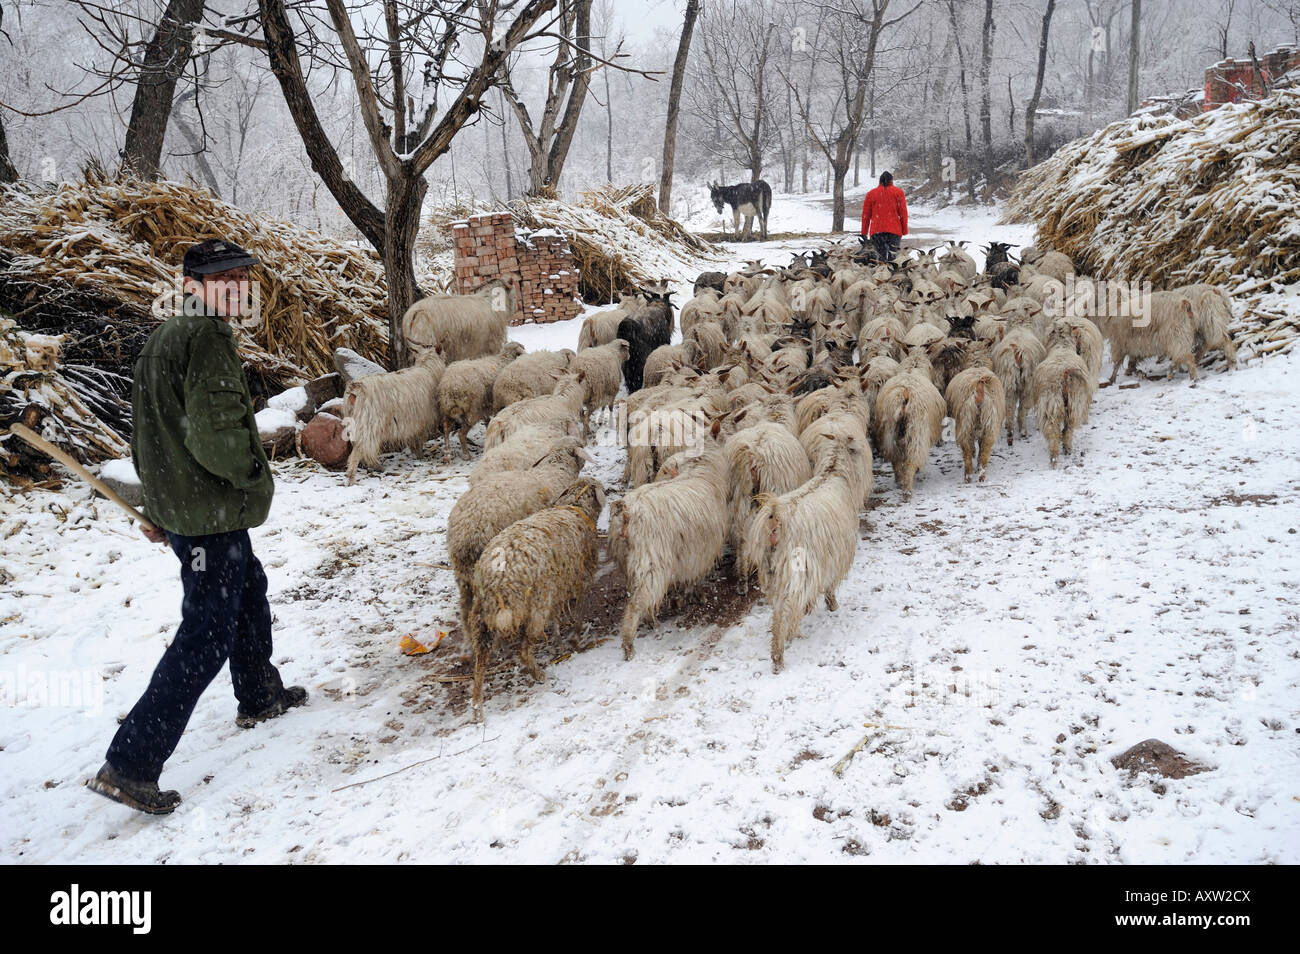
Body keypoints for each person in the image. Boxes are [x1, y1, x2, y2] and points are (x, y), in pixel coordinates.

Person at [87, 239, 307, 815]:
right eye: (223, 278)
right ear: (193, 284)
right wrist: (253, 476)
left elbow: (149, 436)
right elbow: (215, 438)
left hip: (188, 508)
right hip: (207, 513)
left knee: (249, 587)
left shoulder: (166, 336)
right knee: (206, 630)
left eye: (242, 277)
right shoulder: (204, 336)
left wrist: (160, 506)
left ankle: (259, 694)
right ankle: (131, 763)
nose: (237, 287)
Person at [860, 171, 908, 263]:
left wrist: (864, 231)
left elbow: (866, 215)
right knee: (893, 257)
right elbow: (903, 213)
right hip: (894, 230)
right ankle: (892, 274)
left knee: (879, 257)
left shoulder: (871, 194)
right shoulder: (898, 192)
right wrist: (904, 230)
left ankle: (880, 275)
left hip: (877, 230)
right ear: (891, 180)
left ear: (880, 181)